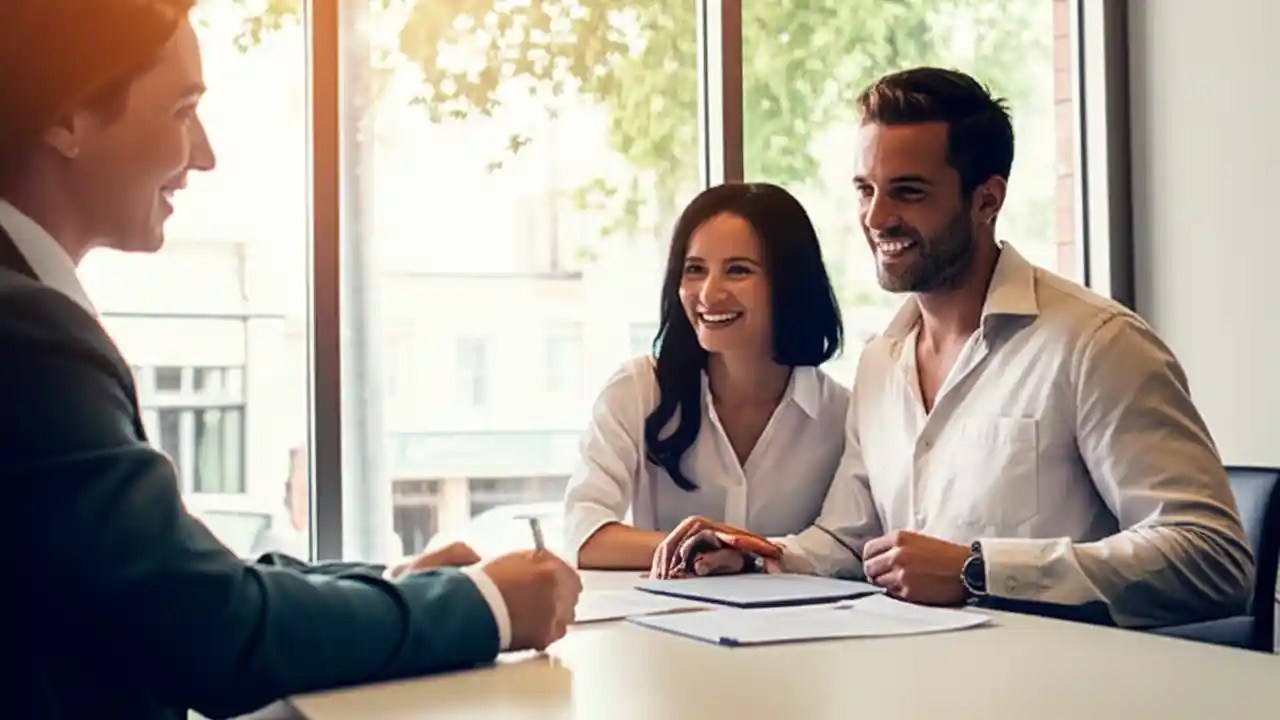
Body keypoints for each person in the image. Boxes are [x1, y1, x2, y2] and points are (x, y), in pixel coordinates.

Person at [0, 3, 579, 718]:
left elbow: (165, 577)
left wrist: (393, 587)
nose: (204, 154)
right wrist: (484, 605)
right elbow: (209, 630)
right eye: (183, 111)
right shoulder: (27, 335)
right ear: (67, 120)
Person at [651, 68, 1254, 628]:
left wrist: (979, 570)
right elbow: (847, 540)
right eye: (866, 190)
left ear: (986, 200)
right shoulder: (881, 362)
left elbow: (1215, 558)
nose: (877, 217)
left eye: (908, 192)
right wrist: (754, 554)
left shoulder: (1095, 346)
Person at [563, 182, 848, 573]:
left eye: (738, 271)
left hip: (794, 629)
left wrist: (744, 553)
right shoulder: (637, 389)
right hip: (663, 626)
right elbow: (585, 534)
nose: (709, 294)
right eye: (695, 270)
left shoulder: (841, 415)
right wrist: (699, 547)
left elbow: (846, 546)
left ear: (790, 282)